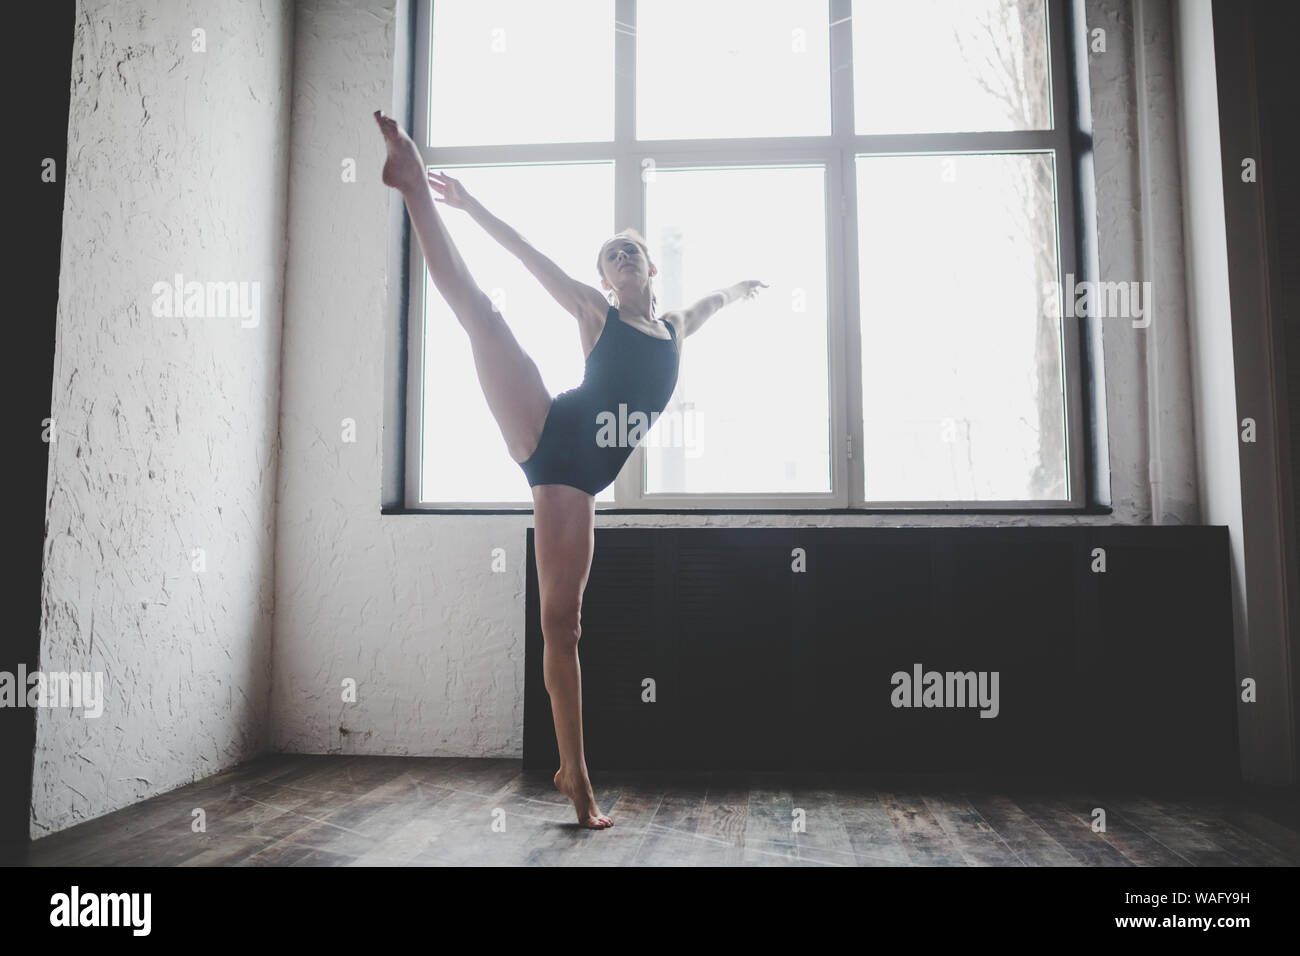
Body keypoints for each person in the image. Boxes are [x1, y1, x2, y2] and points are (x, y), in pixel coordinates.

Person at [375, 110, 767, 827]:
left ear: (650, 267)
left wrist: (740, 290)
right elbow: (529, 257)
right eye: (608, 257)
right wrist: (469, 203)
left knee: (564, 624)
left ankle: (569, 774)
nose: (617, 260)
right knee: (485, 317)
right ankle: (413, 188)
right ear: (606, 280)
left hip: (581, 479)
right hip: (551, 430)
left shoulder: (675, 329)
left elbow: (709, 303)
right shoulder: (596, 312)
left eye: (628, 252)